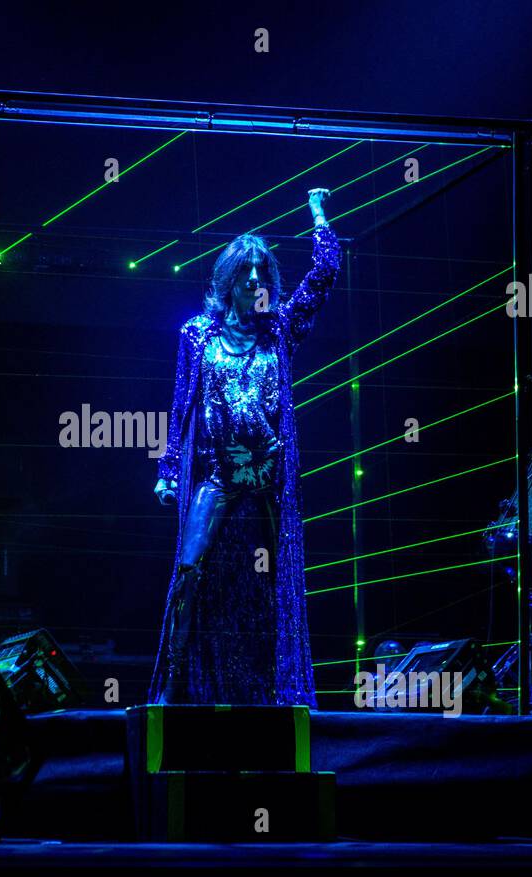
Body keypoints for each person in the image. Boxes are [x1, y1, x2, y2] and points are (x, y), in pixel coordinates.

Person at [149, 188, 341, 706]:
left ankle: (272, 691)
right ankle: (174, 689)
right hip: (219, 476)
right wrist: (169, 470)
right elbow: (181, 406)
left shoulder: (279, 331)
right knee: (190, 570)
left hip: (267, 482)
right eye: (246, 272)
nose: (255, 279)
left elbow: (325, 273)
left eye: (262, 272)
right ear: (228, 280)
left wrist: (318, 214)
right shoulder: (197, 335)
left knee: (272, 584)